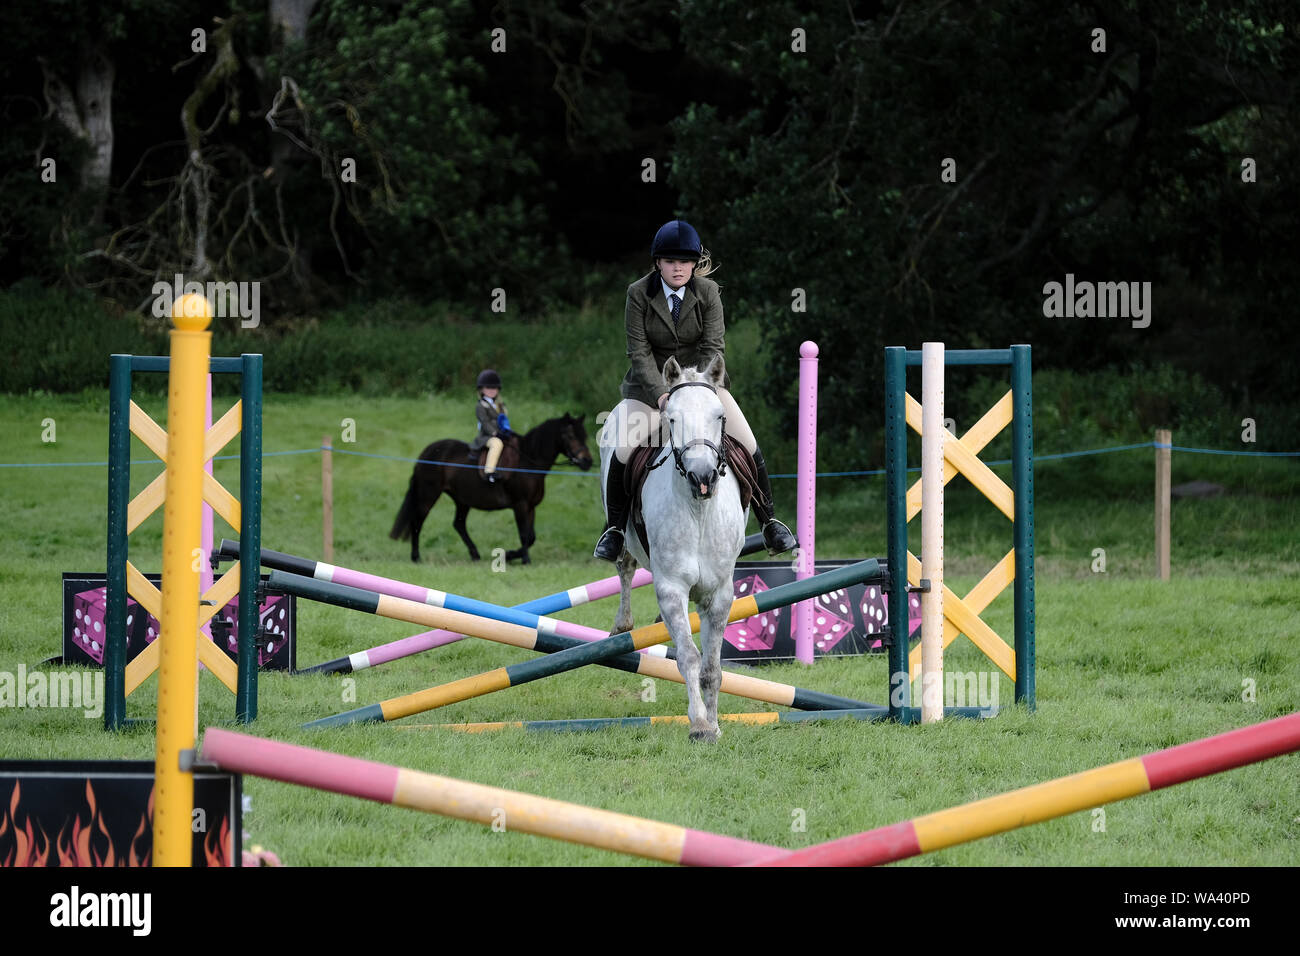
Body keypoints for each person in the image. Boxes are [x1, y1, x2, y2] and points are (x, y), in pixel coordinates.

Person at [593, 219, 798, 561]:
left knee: (748, 442)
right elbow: (639, 352)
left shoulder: (708, 293)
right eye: (671, 261)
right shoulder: (638, 294)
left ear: (693, 263)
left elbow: (713, 347)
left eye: (685, 261)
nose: (678, 268)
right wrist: (662, 393)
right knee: (624, 449)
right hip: (650, 390)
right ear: (658, 262)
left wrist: (698, 389)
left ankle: (770, 521)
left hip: (704, 387)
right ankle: (615, 530)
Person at [469, 368, 510, 483]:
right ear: (482, 389)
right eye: (488, 388)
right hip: (487, 436)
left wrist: (507, 431)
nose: (492, 390)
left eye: (494, 388)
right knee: (496, 444)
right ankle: (489, 472)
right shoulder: (481, 406)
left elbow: (504, 421)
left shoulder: (500, 405)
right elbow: (485, 422)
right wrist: (495, 433)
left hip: (501, 433)